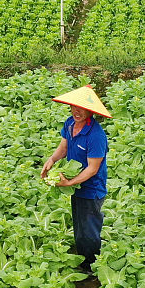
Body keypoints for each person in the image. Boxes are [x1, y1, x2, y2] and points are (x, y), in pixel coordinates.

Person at [40, 85, 110, 271]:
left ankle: (91, 267)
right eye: (74, 107)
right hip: (77, 187)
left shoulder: (96, 136)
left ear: (90, 111)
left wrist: (68, 182)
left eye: (82, 108)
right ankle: (84, 257)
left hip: (92, 189)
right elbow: (63, 148)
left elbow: (93, 169)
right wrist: (52, 160)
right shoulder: (69, 123)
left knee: (88, 230)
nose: (77, 112)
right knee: (80, 228)